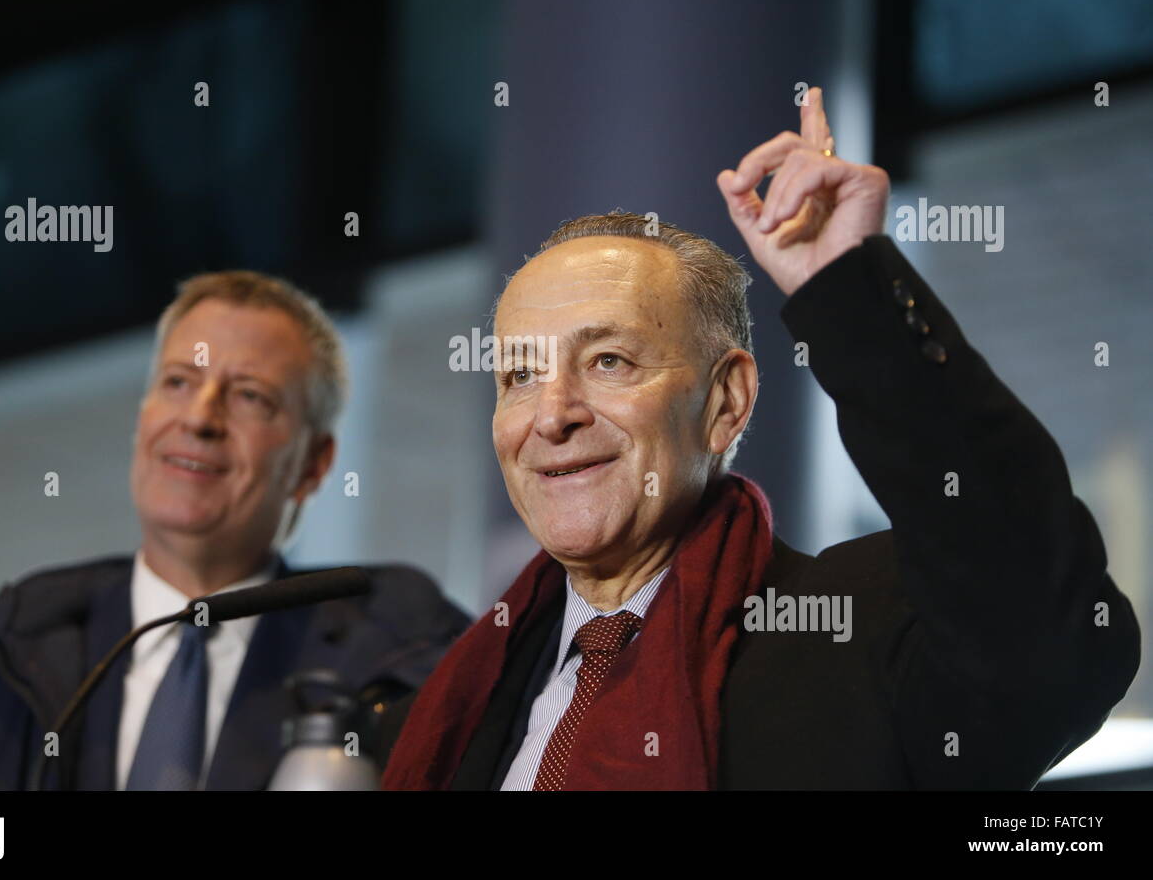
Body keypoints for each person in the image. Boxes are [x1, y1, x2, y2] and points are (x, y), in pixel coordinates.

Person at [378, 88, 1141, 790]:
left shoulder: (865, 633)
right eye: (518, 376)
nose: (551, 416)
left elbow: (1045, 635)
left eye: (608, 361)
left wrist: (850, 291)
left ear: (727, 401)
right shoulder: (452, 702)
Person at [0, 270, 469, 790]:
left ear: (313, 463)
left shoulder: (409, 686)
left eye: (249, 396)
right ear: (144, 415)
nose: (200, 418)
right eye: (178, 382)